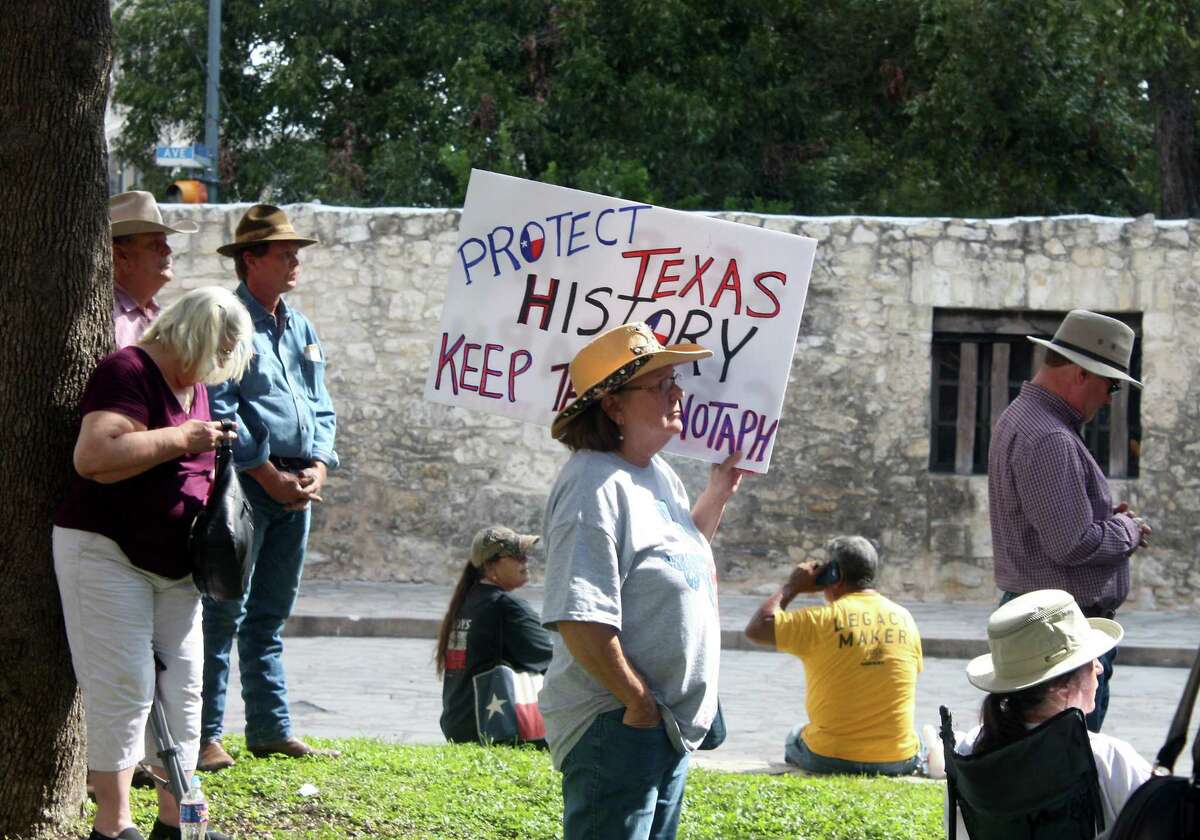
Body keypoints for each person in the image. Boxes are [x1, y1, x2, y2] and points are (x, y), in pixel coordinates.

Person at [53, 287, 251, 840]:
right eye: (219, 346)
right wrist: (181, 438)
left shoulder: (195, 389)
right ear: (193, 333)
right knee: (125, 685)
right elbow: (94, 458)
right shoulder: (128, 370)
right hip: (107, 551)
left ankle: (179, 820)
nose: (220, 360)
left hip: (176, 561)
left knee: (185, 687)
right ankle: (112, 826)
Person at [539, 321, 745, 840]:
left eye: (674, 381)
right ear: (613, 405)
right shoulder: (592, 485)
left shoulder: (655, 472)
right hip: (618, 720)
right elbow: (580, 618)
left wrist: (718, 491)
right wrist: (637, 703)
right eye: (661, 385)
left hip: (661, 723)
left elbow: (680, 555)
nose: (678, 393)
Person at [199, 205, 339, 771]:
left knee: (271, 614)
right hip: (248, 484)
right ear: (250, 259)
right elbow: (222, 405)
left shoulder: (299, 325)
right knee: (224, 611)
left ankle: (269, 727)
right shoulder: (228, 321)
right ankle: (206, 733)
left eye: (295, 253)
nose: (295, 262)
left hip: (298, 482)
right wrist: (266, 474)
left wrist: (320, 466)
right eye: (284, 253)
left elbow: (321, 403)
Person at [989, 309, 1151, 733]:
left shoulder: (1029, 419)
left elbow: (1057, 525)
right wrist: (1127, 531)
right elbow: (1072, 543)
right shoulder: (1049, 436)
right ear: (1081, 374)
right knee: (1067, 758)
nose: (1110, 397)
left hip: (1045, 618)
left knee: (1043, 752)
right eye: (1110, 384)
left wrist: (1106, 522)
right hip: (1060, 627)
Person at [946, 589, 1151, 838]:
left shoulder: (969, 751)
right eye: (1090, 660)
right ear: (1058, 686)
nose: (1098, 668)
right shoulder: (1108, 759)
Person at [744, 536, 923, 775]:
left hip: (830, 756)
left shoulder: (820, 620)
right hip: (898, 757)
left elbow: (758, 628)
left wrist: (792, 587)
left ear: (833, 574)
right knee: (916, 734)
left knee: (795, 735)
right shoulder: (904, 618)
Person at [435, 526, 553, 744]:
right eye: (517, 556)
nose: (526, 561)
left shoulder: (466, 602)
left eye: (525, 555)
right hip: (492, 727)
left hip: (459, 723)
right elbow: (552, 659)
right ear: (490, 566)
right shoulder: (506, 607)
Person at [109, 191, 197, 348]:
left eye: (165, 242)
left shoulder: (158, 315)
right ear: (121, 256)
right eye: (155, 245)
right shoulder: (109, 317)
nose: (168, 251)